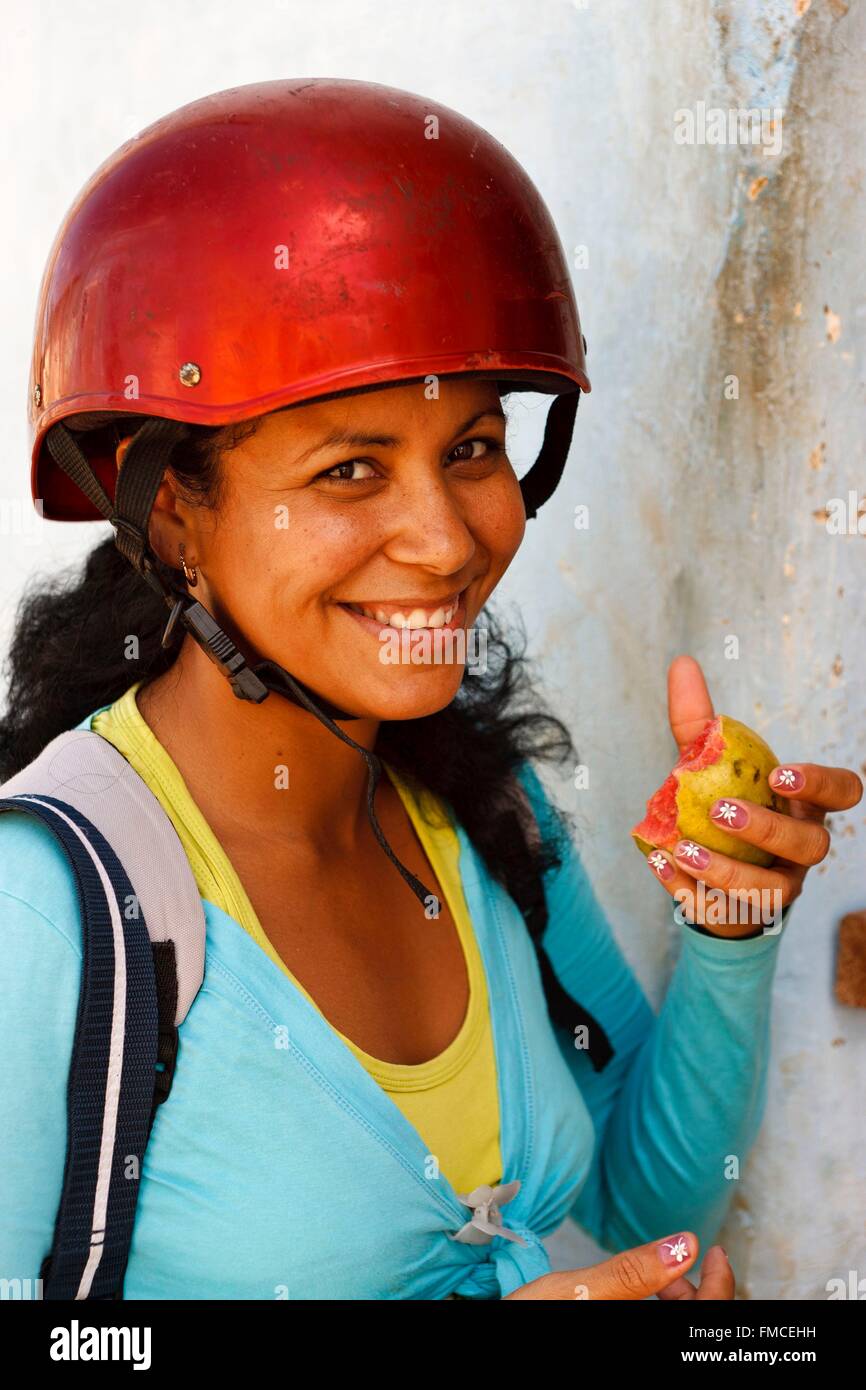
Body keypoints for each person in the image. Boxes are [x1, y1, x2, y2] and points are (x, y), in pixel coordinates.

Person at [0, 79, 860, 1302]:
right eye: (351, 468)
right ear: (175, 507)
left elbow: (644, 1201)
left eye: (470, 447)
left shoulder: (479, 805)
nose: (449, 544)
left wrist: (727, 926)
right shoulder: (44, 908)